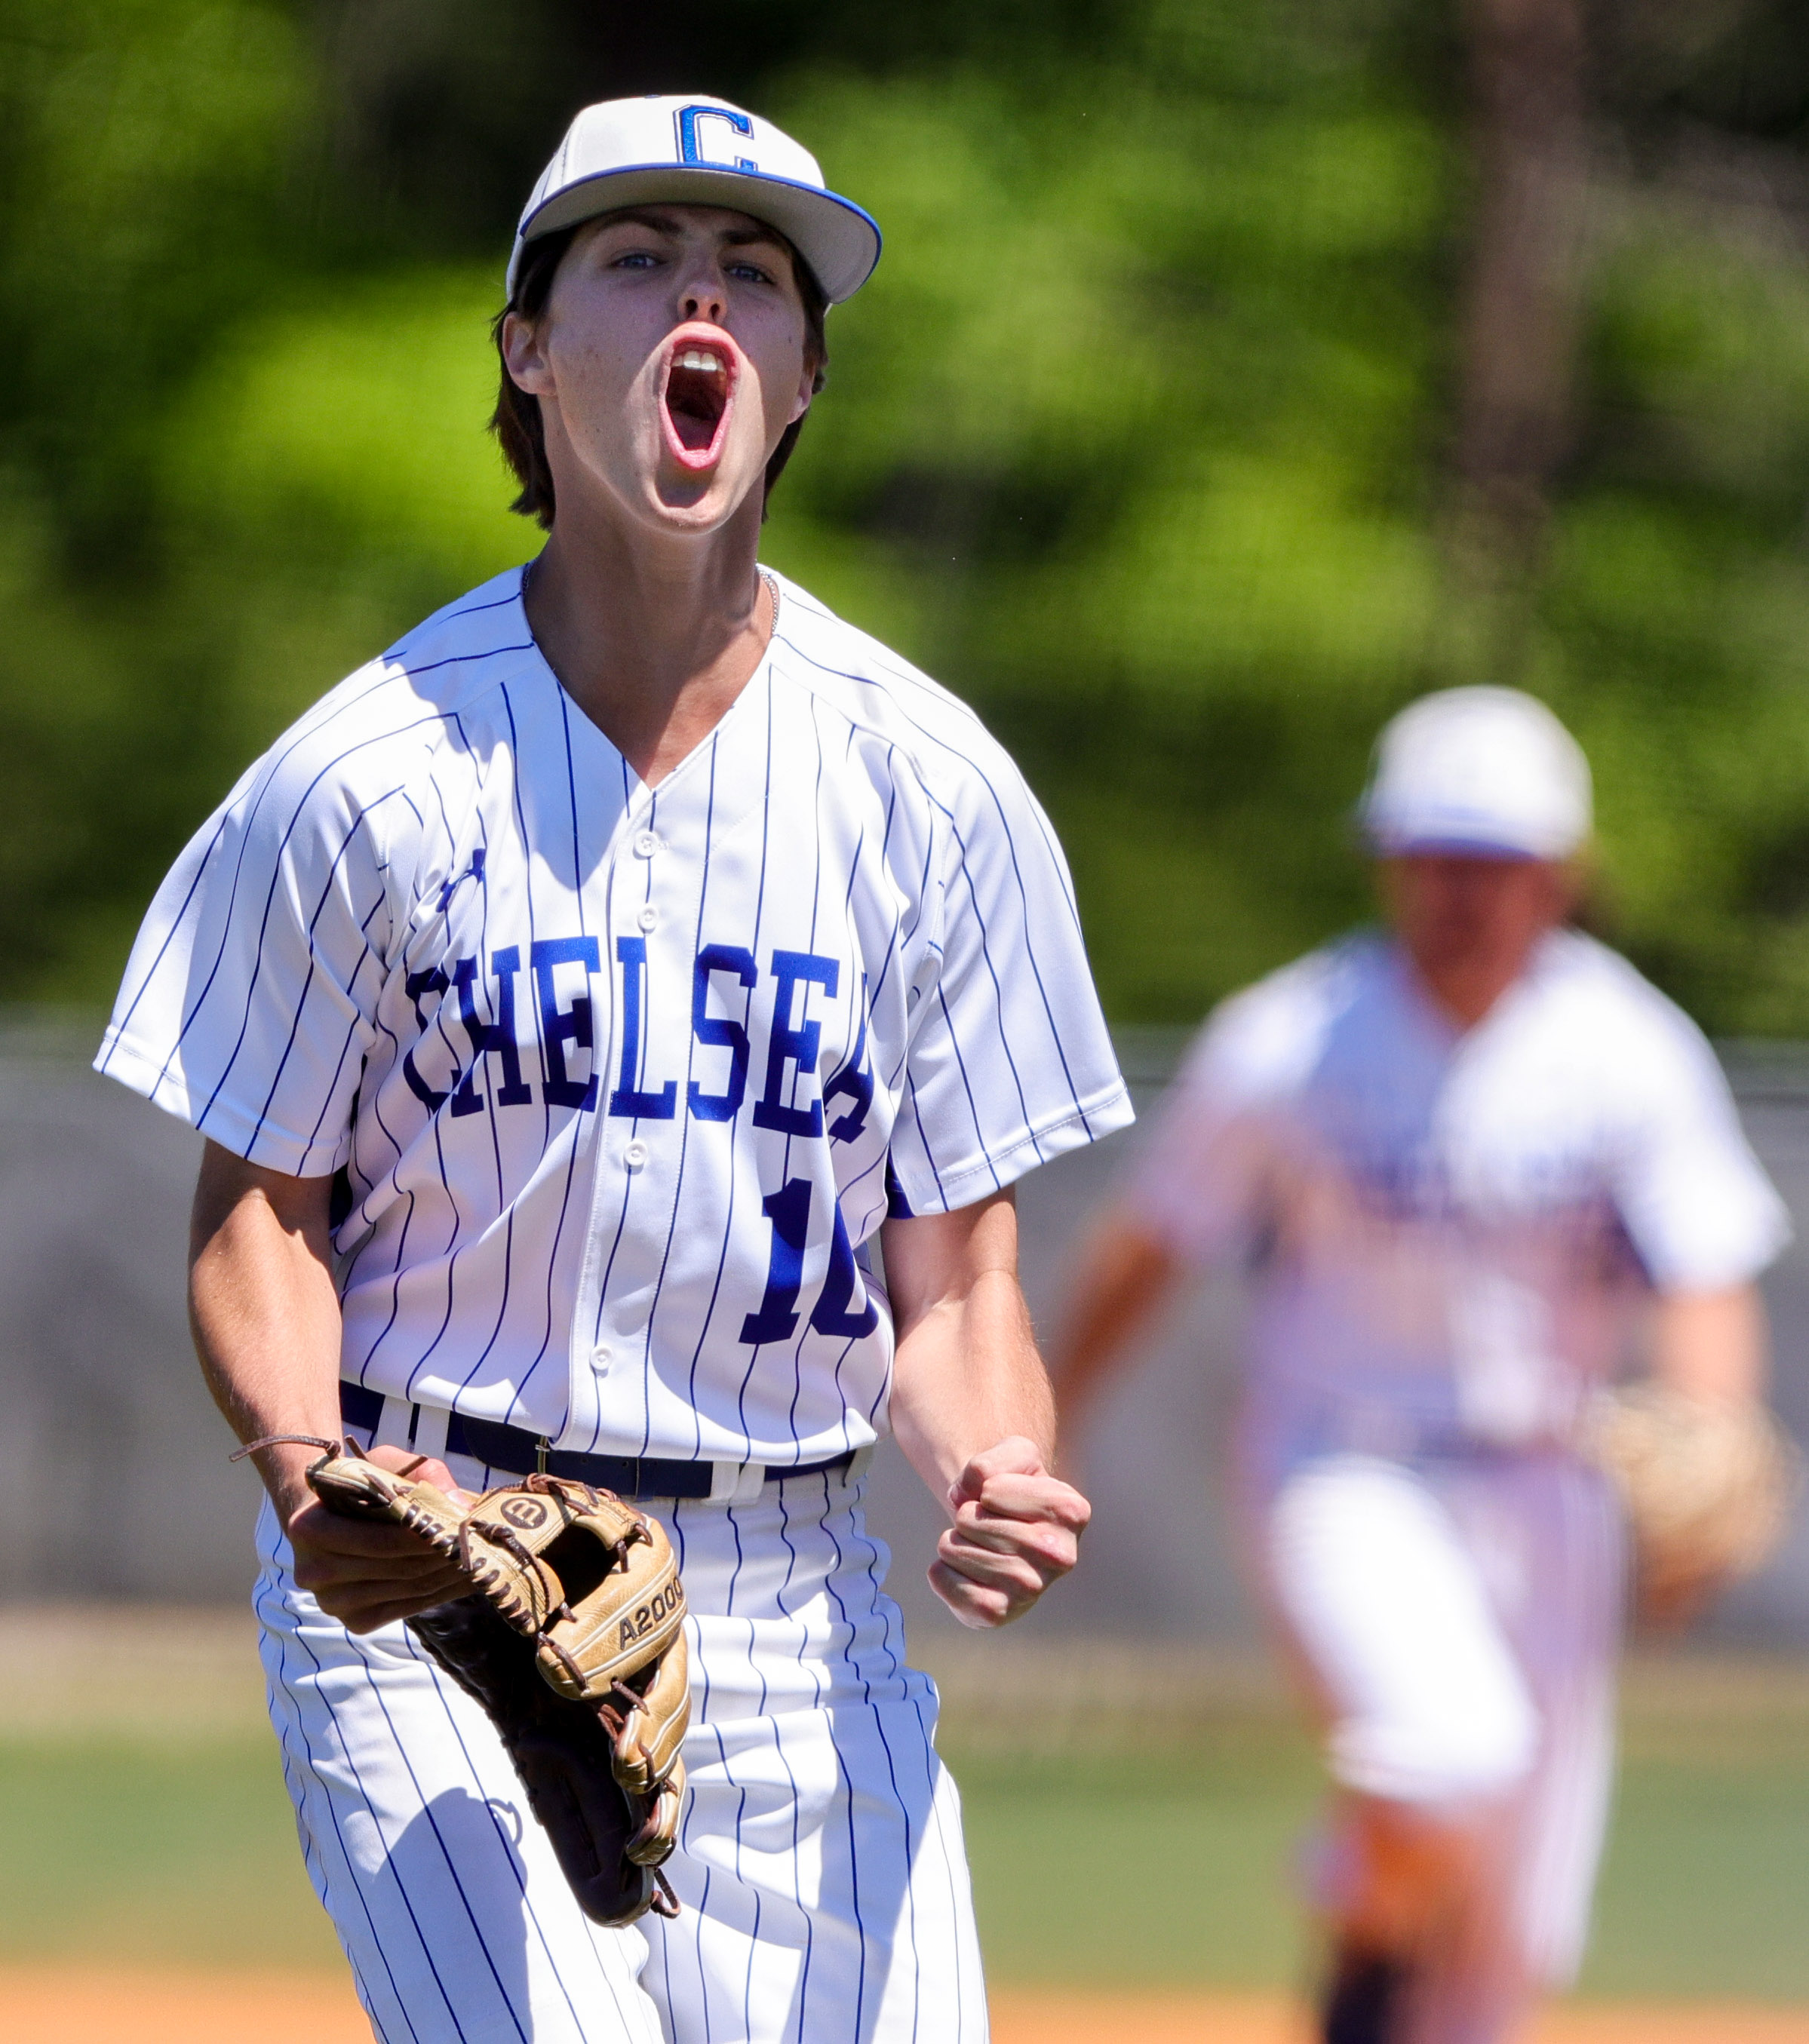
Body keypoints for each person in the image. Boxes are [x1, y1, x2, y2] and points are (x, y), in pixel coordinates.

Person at [98, 94, 1130, 2044]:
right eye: (641, 259)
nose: (702, 301)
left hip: (795, 1592)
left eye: (755, 275)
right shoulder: (363, 777)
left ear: (800, 378)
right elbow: (259, 1214)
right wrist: (313, 1475)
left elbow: (957, 1279)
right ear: (528, 348)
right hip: (440, 1564)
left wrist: (995, 1459)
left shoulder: (932, 790)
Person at [1051, 686, 1791, 2044]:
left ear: (1560, 874)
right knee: (1447, 1755)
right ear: (1385, 863)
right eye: (1430, 856)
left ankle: (1382, 1982)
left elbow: (1701, 1263)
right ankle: (1362, 1933)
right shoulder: (1292, 1036)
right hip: (1340, 1461)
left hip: (1551, 1486)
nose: (1459, 890)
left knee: (1512, 1938)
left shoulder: (1624, 1045)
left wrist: (1710, 1425)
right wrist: (1047, 1413)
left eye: (1493, 859)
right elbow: (1149, 1238)